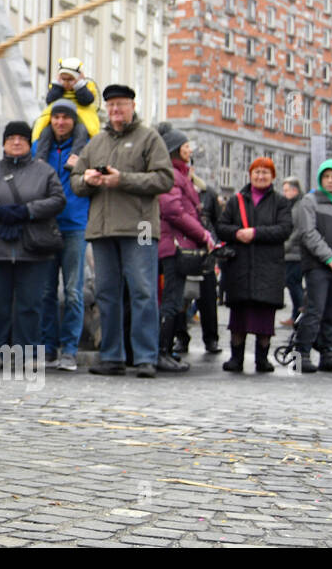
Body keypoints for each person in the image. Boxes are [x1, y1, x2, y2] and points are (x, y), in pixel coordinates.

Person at [70, 85, 174, 377]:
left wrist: (122, 180)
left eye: (121, 105)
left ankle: (144, 358)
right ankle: (112, 356)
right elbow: (76, 181)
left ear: (132, 106)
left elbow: (165, 179)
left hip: (140, 226)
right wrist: (87, 179)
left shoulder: (149, 138)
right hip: (103, 228)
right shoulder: (96, 142)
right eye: (112, 106)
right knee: (106, 293)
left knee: (142, 290)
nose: (116, 111)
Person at [0, 120, 66, 353]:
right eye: (11, 138)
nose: (16, 142)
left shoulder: (44, 171)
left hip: (33, 248)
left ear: (29, 143)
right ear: (3, 143)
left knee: (30, 304)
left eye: (21, 138)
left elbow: (58, 200)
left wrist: (28, 211)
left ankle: (28, 351)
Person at [217, 158, 293, 373]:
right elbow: (221, 226)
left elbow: (285, 229)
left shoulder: (280, 202)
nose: (260, 176)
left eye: (265, 172)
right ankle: (236, 358)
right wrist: (236, 233)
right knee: (239, 316)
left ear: (273, 177)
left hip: (268, 268)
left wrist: (256, 233)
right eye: (257, 172)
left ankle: (262, 359)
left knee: (264, 318)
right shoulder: (236, 200)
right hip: (240, 266)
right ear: (250, 175)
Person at [32, 99, 91, 371]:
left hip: (74, 225)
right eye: (56, 117)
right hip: (44, 225)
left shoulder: (86, 149)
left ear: (73, 121)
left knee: (73, 291)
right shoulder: (38, 149)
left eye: (66, 117)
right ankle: (47, 347)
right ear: (50, 120)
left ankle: (69, 350)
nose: (60, 122)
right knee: (45, 290)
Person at [155, 126, 216, 371]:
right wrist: (202, 234)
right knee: (170, 300)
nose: (190, 149)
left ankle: (165, 350)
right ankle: (161, 352)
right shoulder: (172, 175)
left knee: (175, 300)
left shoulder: (180, 174)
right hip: (173, 247)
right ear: (176, 150)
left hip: (175, 245)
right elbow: (173, 211)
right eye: (186, 145)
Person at [291, 160, 332, 372]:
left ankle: (328, 353)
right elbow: (308, 233)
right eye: (326, 177)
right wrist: (329, 258)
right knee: (314, 310)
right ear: (320, 179)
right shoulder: (310, 200)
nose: (330, 181)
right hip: (318, 265)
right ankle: (301, 354)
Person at [181, 170, 223, 355]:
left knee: (207, 299)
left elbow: (217, 223)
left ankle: (211, 339)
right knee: (180, 300)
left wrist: (216, 244)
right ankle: (181, 338)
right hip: (180, 251)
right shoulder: (171, 190)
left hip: (205, 252)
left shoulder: (208, 193)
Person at [31, 56, 100, 140]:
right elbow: (50, 100)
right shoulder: (56, 88)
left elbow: (86, 100)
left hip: (80, 117)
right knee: (44, 130)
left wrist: (79, 85)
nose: (67, 83)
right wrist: (58, 86)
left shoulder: (87, 87)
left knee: (82, 131)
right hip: (57, 112)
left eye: (70, 79)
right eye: (64, 79)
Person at [280, 178, 305, 329]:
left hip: (296, 253)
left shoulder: (300, 205)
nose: (285, 193)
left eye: (286, 190)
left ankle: (300, 314)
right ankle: (296, 314)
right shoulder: (293, 204)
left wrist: (287, 245)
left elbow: (299, 229)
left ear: (295, 190)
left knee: (293, 283)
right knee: (292, 283)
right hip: (291, 252)